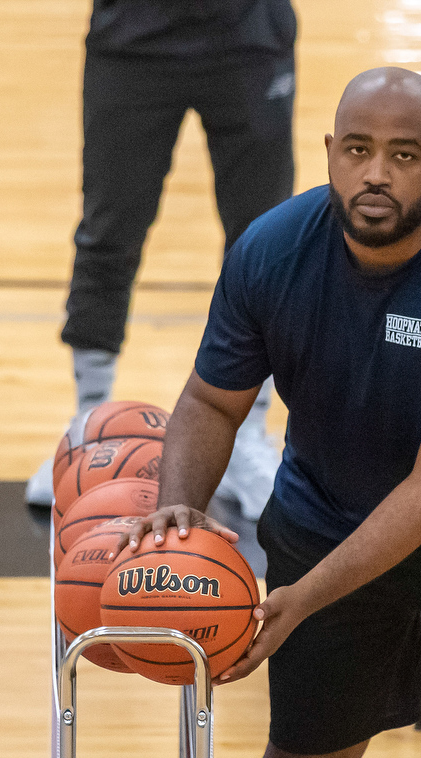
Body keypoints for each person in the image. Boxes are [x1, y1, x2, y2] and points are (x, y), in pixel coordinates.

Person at [122, 67, 421, 758]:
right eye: (358, 149)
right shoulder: (271, 251)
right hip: (326, 518)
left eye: (404, 155)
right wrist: (176, 504)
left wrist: (304, 597)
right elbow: (213, 402)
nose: (376, 173)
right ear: (329, 151)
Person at [25, 0, 298, 521]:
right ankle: (88, 426)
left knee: (263, 242)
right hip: (134, 36)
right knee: (109, 231)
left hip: (248, 35)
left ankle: (246, 435)